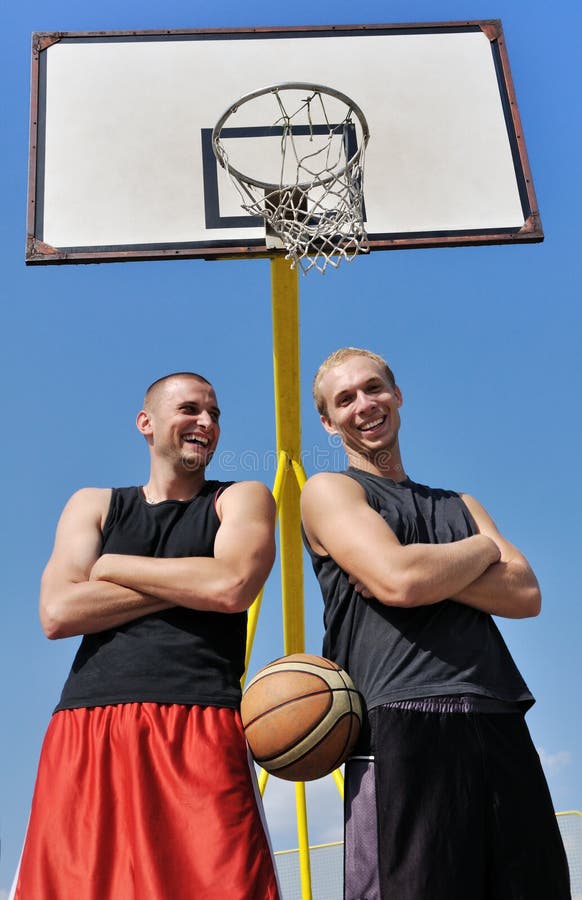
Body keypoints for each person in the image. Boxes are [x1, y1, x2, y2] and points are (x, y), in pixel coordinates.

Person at [301, 347, 570, 900]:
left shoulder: (461, 504)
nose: (364, 404)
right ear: (328, 422)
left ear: (397, 395)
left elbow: (526, 593)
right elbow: (399, 581)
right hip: (399, 717)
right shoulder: (330, 490)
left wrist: (422, 568)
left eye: (374, 388)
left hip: (497, 711)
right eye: (345, 399)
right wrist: (482, 552)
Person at [13, 372, 281, 900]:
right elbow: (58, 612)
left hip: (199, 720)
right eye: (190, 409)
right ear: (146, 422)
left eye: (214, 414)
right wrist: (192, 581)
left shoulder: (241, 497)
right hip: (86, 724)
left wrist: (112, 566)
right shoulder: (93, 503)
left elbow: (231, 587)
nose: (206, 422)